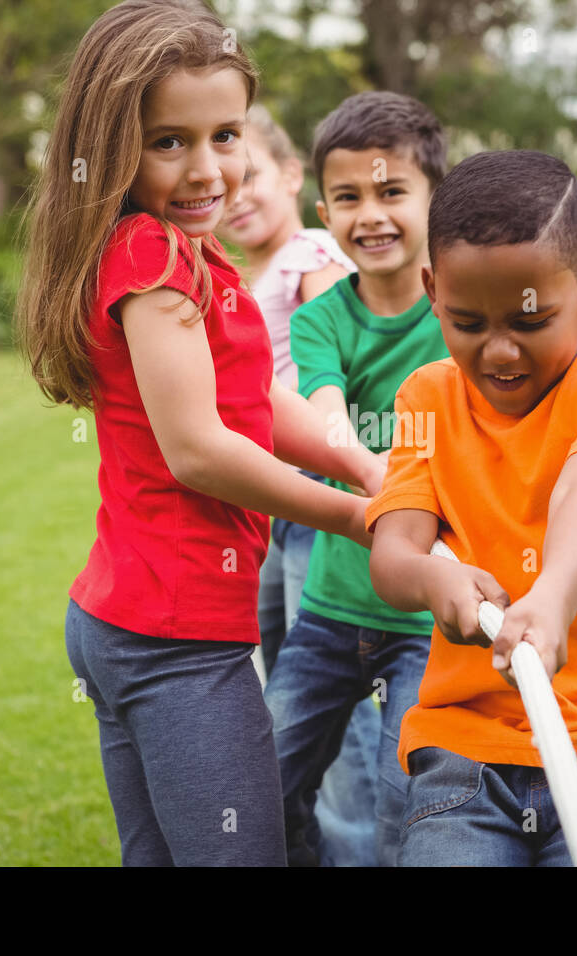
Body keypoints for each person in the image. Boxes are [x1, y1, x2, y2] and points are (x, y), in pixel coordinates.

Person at [15, 0, 385, 867]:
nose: (208, 168)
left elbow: (250, 399)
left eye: (226, 135)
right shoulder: (156, 260)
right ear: (112, 146)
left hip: (128, 618)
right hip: (175, 640)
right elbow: (199, 450)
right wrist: (355, 519)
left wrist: (357, 463)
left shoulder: (188, 248)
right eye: (169, 141)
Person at [366, 149, 577, 866]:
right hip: (465, 753)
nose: (500, 351)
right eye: (467, 322)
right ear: (431, 290)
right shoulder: (425, 397)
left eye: (531, 320)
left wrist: (549, 602)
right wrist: (435, 581)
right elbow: (394, 554)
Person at [263, 91, 450, 866]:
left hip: (425, 625)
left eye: (392, 192)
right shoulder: (322, 317)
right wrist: (379, 477)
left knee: (402, 807)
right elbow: (325, 413)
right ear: (323, 212)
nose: (370, 214)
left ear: (435, 200)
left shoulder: (460, 317)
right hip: (331, 612)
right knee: (262, 784)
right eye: (348, 198)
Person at [216, 105, 382, 865]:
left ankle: (355, 844)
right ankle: (305, 838)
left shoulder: (308, 254)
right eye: (229, 184)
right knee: (289, 685)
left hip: (318, 497)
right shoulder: (249, 275)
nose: (238, 194)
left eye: (252, 176)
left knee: (330, 689)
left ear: (290, 176)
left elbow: (332, 360)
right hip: (280, 506)